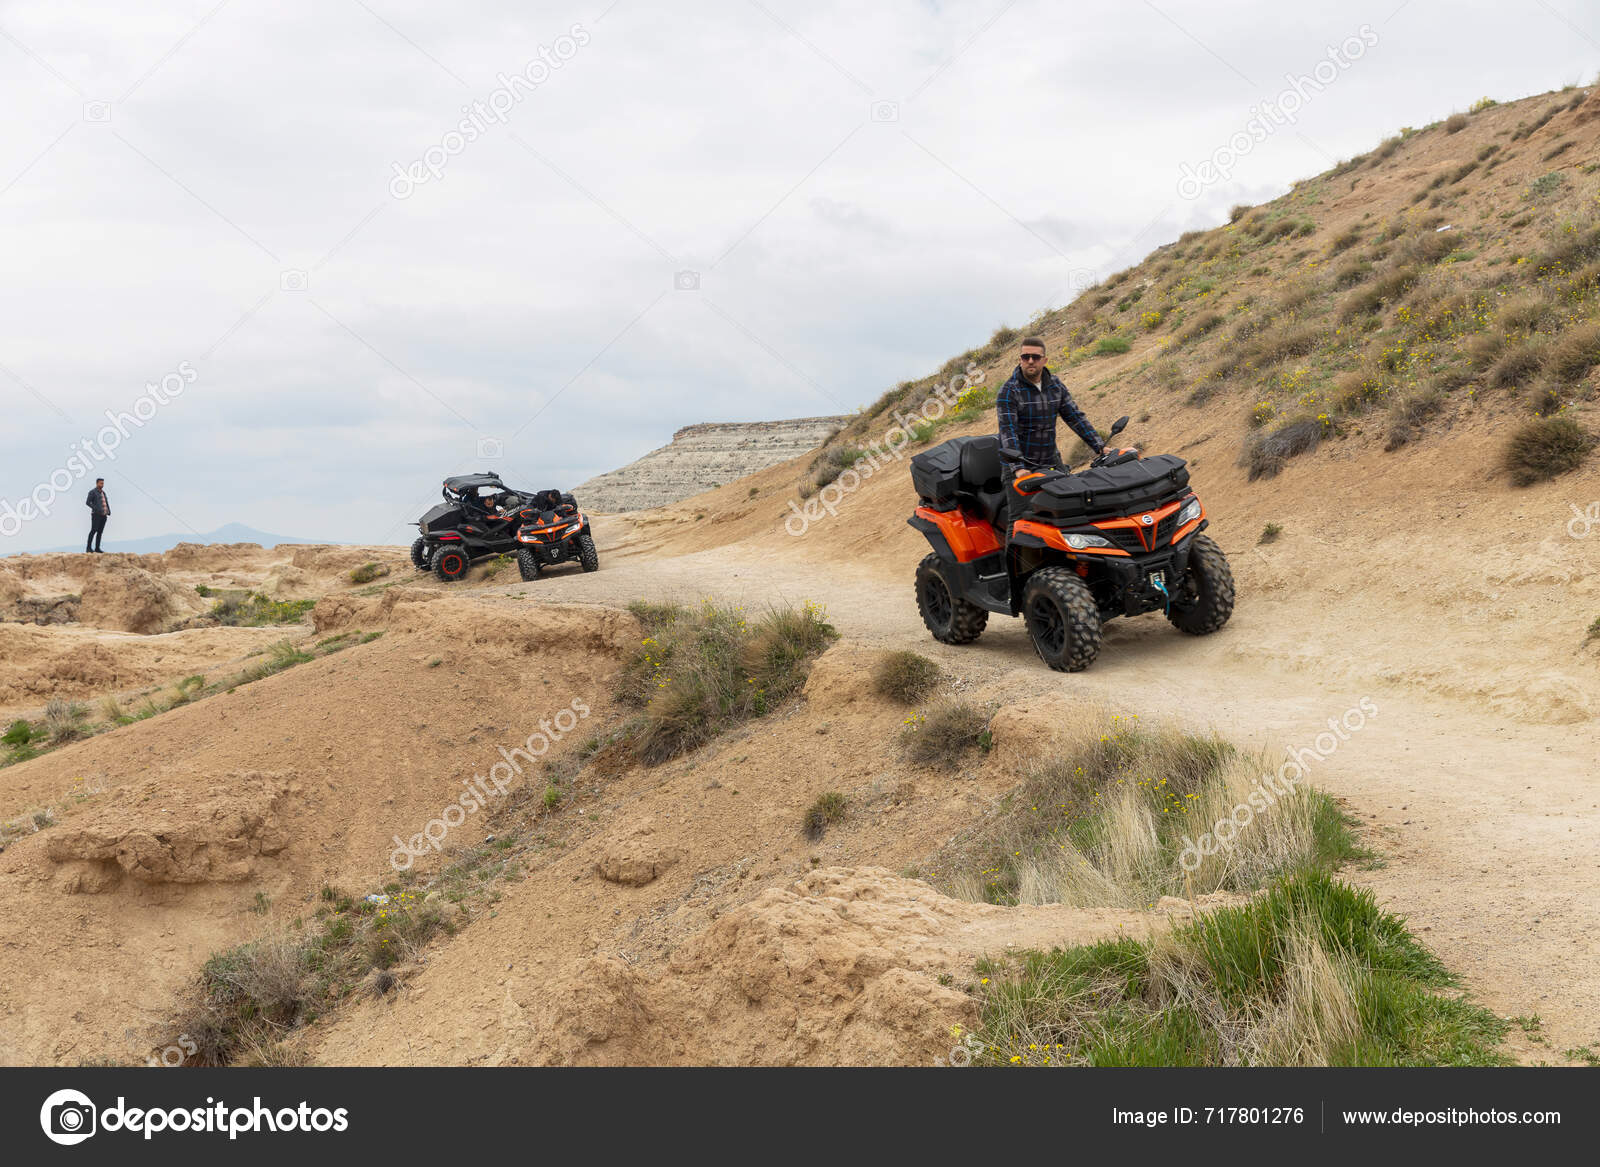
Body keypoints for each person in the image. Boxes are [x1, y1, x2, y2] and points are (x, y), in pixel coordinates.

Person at [996, 337, 1105, 483]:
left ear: (1044, 360)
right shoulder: (1009, 391)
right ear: (1019, 359)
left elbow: (1075, 418)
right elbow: (1008, 431)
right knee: (1026, 507)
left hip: (1050, 460)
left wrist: (1100, 447)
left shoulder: (1055, 385)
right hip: (1019, 467)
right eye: (1025, 357)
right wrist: (1018, 467)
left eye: (1035, 357)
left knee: (1072, 499)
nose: (1030, 361)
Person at [85, 478, 110, 553]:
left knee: (100, 532)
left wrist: (109, 511)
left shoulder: (103, 493)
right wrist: (96, 509)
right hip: (96, 515)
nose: (102, 485)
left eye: (103, 483)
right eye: (101, 483)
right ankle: (88, 548)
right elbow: (88, 502)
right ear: (97, 483)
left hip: (104, 515)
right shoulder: (92, 492)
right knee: (93, 530)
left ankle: (97, 548)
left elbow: (105, 502)